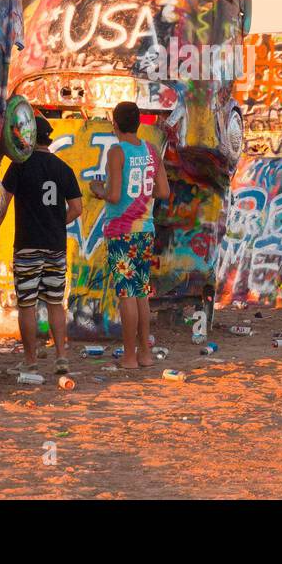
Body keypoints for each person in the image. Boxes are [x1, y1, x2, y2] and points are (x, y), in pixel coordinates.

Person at [0, 114, 82, 376]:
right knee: (56, 303)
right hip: (55, 246)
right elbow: (77, 208)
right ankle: (61, 358)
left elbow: (3, 203)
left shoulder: (19, 166)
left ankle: (31, 360)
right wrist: (58, 223)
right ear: (49, 139)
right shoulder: (62, 168)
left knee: (27, 305)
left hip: (26, 246)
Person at [89, 101, 169, 369]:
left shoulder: (116, 152)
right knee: (141, 292)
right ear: (138, 123)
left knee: (126, 294)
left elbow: (112, 195)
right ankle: (145, 353)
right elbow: (163, 191)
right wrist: (141, 195)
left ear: (115, 124)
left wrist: (97, 189)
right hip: (145, 229)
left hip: (122, 232)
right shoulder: (152, 150)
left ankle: (130, 357)